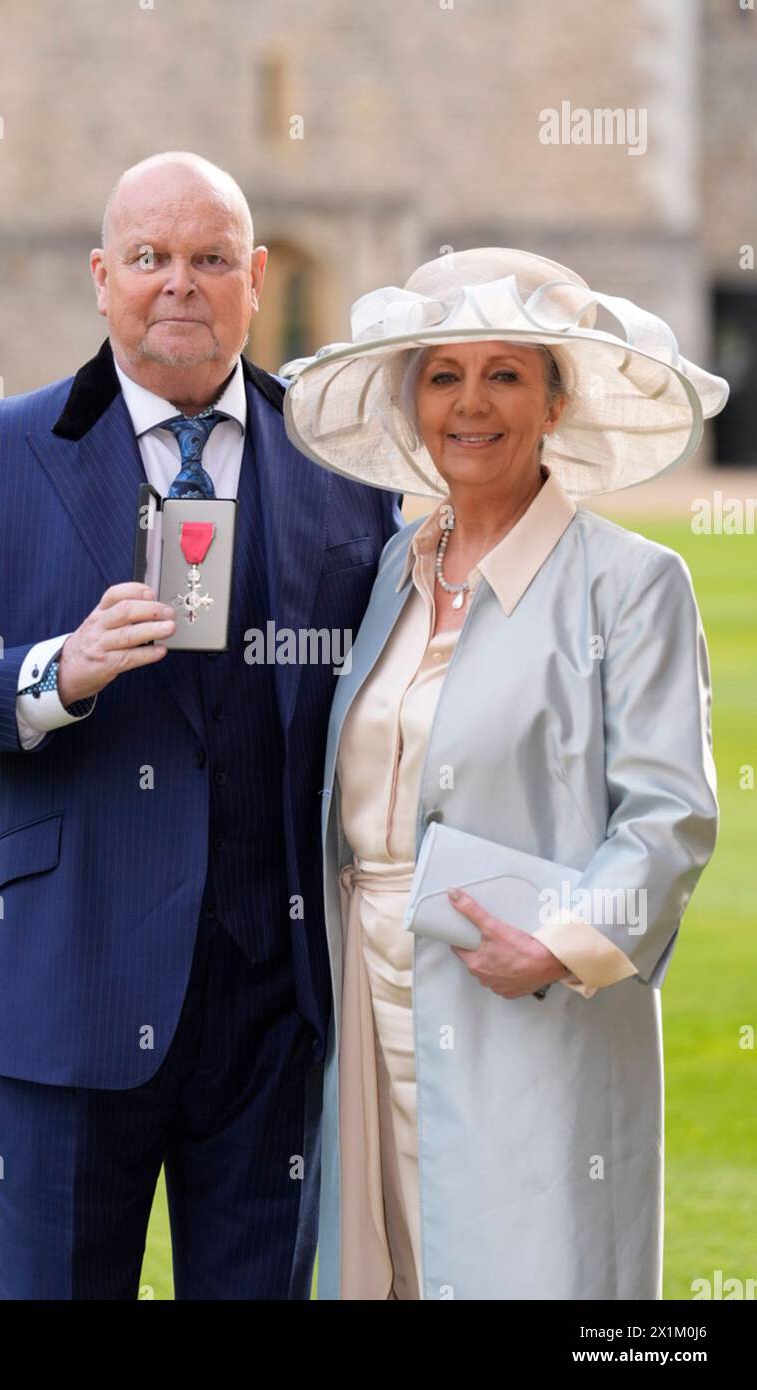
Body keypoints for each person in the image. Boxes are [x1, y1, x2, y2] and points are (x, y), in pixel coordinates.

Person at [0, 151, 402, 1299]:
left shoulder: (348, 466)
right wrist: (56, 673)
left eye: (211, 259)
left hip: (275, 1009)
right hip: (69, 990)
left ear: (256, 278)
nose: (181, 283)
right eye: (152, 258)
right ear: (102, 276)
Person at [281, 246, 728, 1299]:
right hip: (369, 986)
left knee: (526, 1263)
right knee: (385, 1263)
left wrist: (562, 943)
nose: (471, 405)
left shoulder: (634, 583)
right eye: (444, 375)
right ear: (412, 400)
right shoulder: (397, 565)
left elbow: (671, 815)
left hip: (528, 998)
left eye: (506, 375)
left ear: (555, 401)